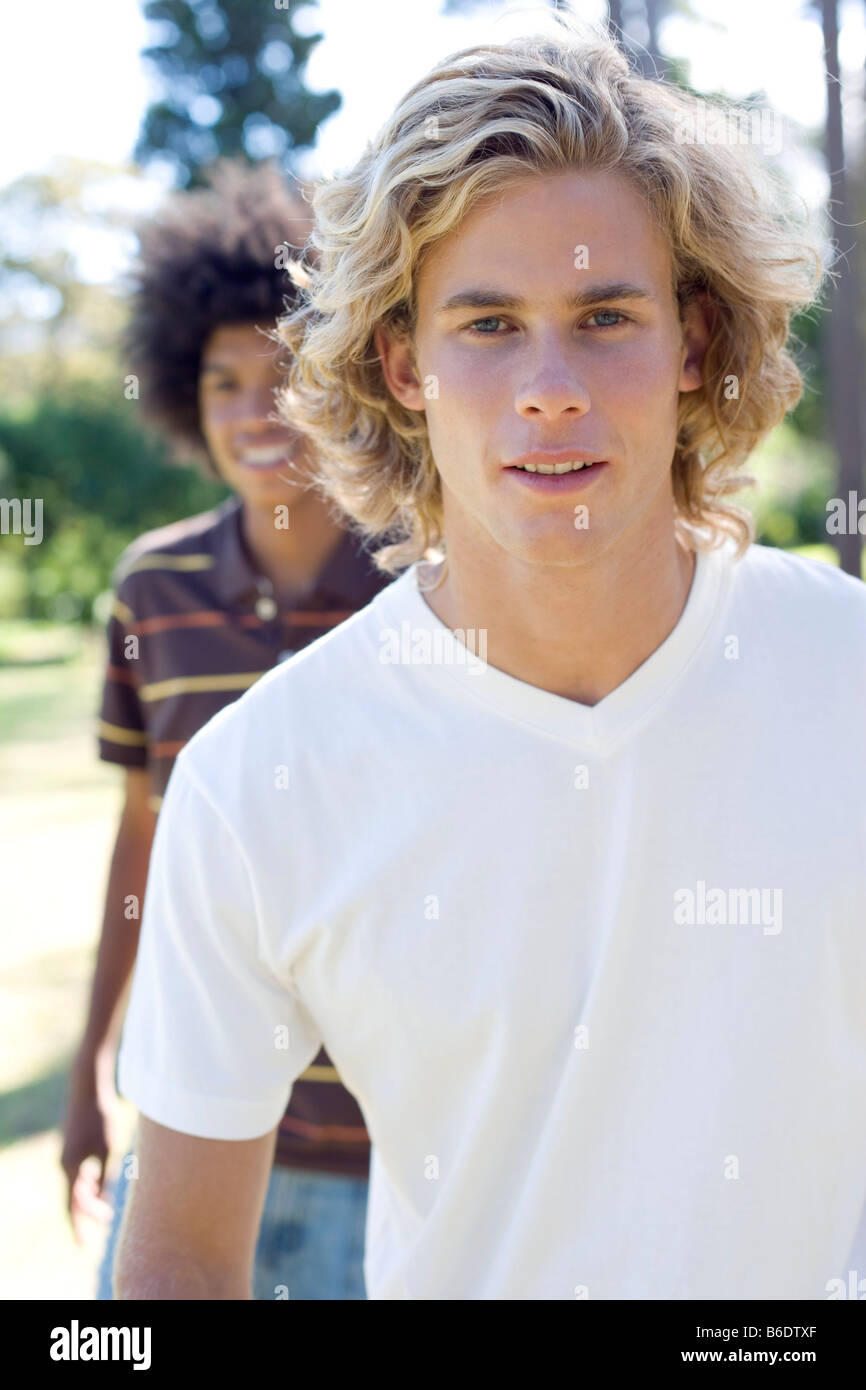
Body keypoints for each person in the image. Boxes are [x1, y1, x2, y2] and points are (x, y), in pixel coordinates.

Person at [113, 21, 866, 1300]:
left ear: (691, 343)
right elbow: (174, 1271)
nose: (550, 385)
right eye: (488, 324)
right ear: (402, 364)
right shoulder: (259, 780)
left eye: (604, 314)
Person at [59, 160, 390, 1300]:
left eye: (283, 373)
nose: (255, 411)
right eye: (222, 382)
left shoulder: (430, 588)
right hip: (195, 1127)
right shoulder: (152, 591)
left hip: (390, 1150)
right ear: (181, 401)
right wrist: (89, 1066)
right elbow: (140, 841)